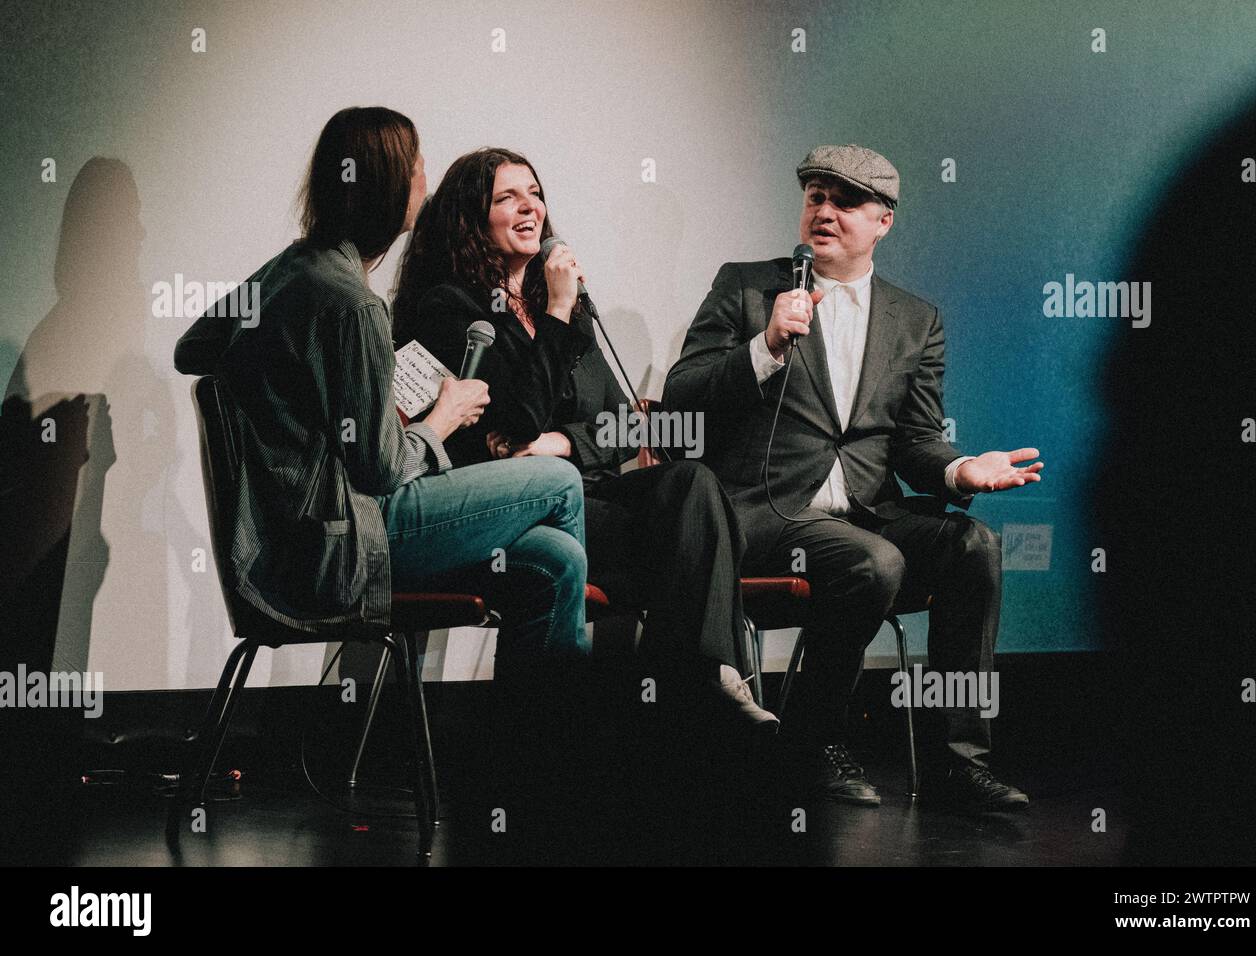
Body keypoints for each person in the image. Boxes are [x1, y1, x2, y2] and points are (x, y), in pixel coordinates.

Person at [663, 144, 1040, 810]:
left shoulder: (914, 319)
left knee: (971, 546)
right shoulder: (748, 287)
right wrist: (766, 346)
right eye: (815, 196)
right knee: (872, 564)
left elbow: (916, 440)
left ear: (883, 222)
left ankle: (958, 761)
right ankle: (809, 744)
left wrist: (959, 469)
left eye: (845, 201)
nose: (825, 211)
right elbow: (681, 401)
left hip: (866, 509)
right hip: (764, 512)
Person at [173, 108, 589, 694]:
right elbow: (383, 469)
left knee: (557, 559)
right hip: (344, 542)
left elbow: (191, 349)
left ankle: (517, 758)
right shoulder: (355, 304)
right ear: (392, 185)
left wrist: (307, 401)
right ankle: (567, 740)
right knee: (559, 482)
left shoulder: (293, 270)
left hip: (291, 536)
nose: (426, 181)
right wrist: (441, 419)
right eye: (417, 167)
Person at [391, 147, 775, 729]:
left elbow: (623, 426)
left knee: (693, 484)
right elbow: (515, 421)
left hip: (586, 492)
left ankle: (697, 680)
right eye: (506, 198)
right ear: (472, 218)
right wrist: (559, 314)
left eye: (536, 193)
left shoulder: (563, 306)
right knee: (681, 552)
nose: (530, 208)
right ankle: (684, 699)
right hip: (515, 516)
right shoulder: (453, 310)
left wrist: (560, 444)